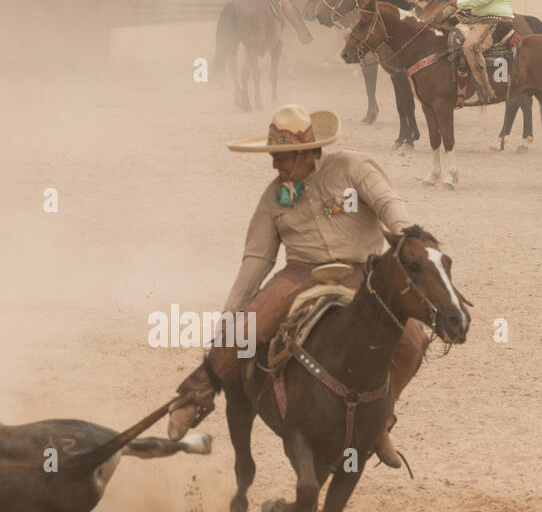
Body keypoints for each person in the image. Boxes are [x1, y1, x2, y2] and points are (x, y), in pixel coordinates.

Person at [166, 106, 429, 467]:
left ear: (307, 152)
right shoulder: (272, 198)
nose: (274, 165)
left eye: (281, 158)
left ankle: (380, 418)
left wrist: (404, 237)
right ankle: (194, 397)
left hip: (362, 271)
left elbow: (388, 202)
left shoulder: (354, 168)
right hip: (298, 274)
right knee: (244, 332)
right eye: (273, 157)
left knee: (413, 340)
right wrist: (232, 312)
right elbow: (257, 258)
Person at [453, 0, 520, 106]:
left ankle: (483, 90)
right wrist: (468, 10)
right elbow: (484, 2)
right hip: (485, 20)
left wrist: (459, 3)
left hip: (496, 22)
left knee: (471, 47)